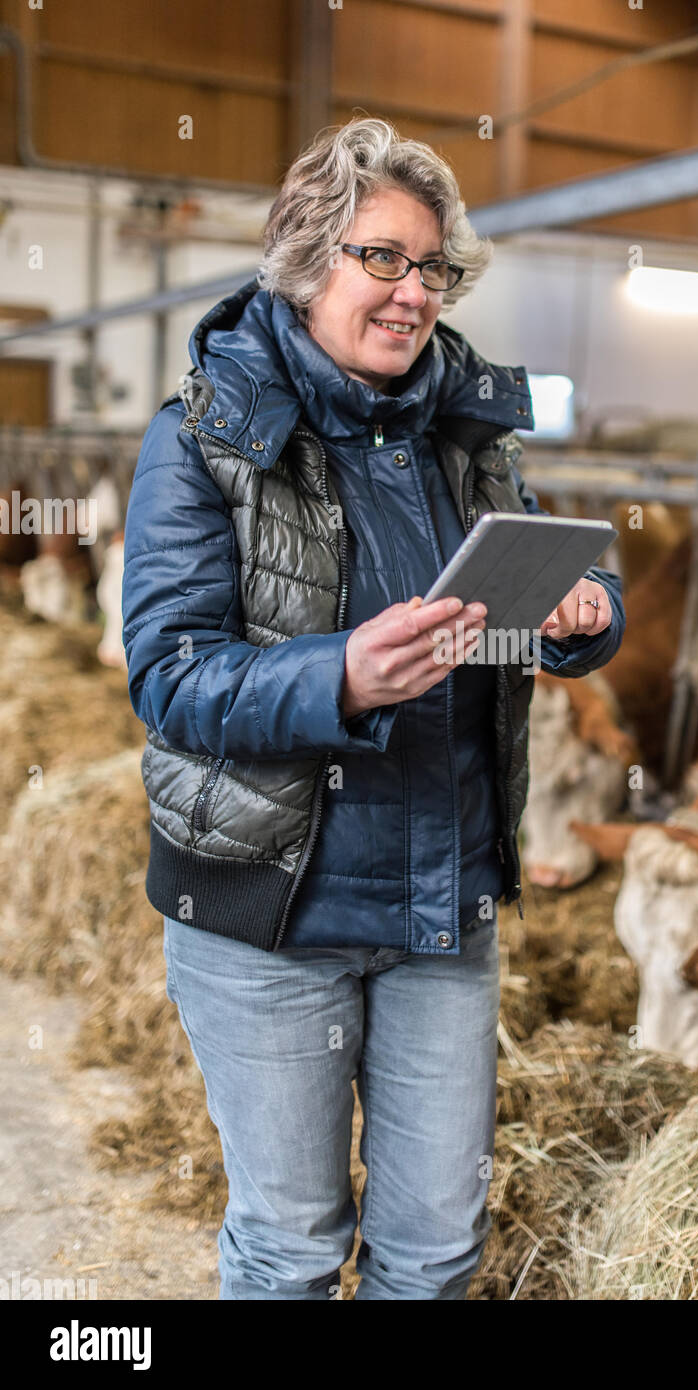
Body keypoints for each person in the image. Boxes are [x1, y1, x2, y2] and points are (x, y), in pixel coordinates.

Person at [121, 116, 625, 1301]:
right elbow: (170, 675)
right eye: (380, 259)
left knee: (435, 1249)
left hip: (439, 904)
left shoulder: (471, 434)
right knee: (293, 1246)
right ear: (305, 261)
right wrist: (338, 678)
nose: (412, 293)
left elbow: (551, 572)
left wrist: (584, 613)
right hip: (267, 913)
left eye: (433, 266)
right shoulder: (201, 440)